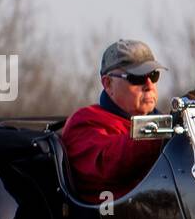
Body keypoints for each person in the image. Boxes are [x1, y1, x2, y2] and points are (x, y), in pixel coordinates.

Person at [61, 39, 169, 203]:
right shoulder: (84, 121)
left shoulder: (165, 123)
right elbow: (109, 163)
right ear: (108, 83)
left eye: (154, 75)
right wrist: (164, 129)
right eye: (136, 77)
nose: (149, 85)